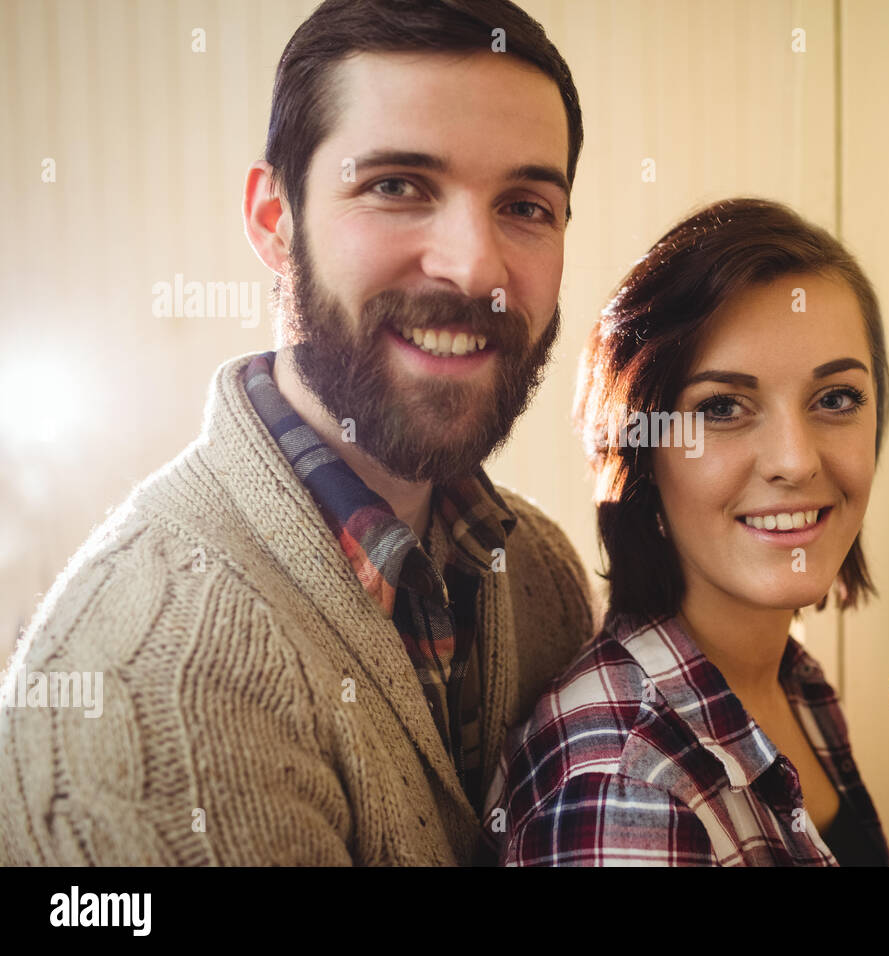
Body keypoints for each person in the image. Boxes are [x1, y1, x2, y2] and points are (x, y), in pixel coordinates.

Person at [0, 0, 593, 866]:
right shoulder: (142, 690)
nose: (474, 267)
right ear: (275, 222)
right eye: (397, 186)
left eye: (527, 205)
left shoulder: (543, 573)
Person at [484, 197, 889, 866]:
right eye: (724, 407)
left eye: (835, 399)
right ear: (641, 453)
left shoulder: (794, 681)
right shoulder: (625, 790)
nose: (796, 460)